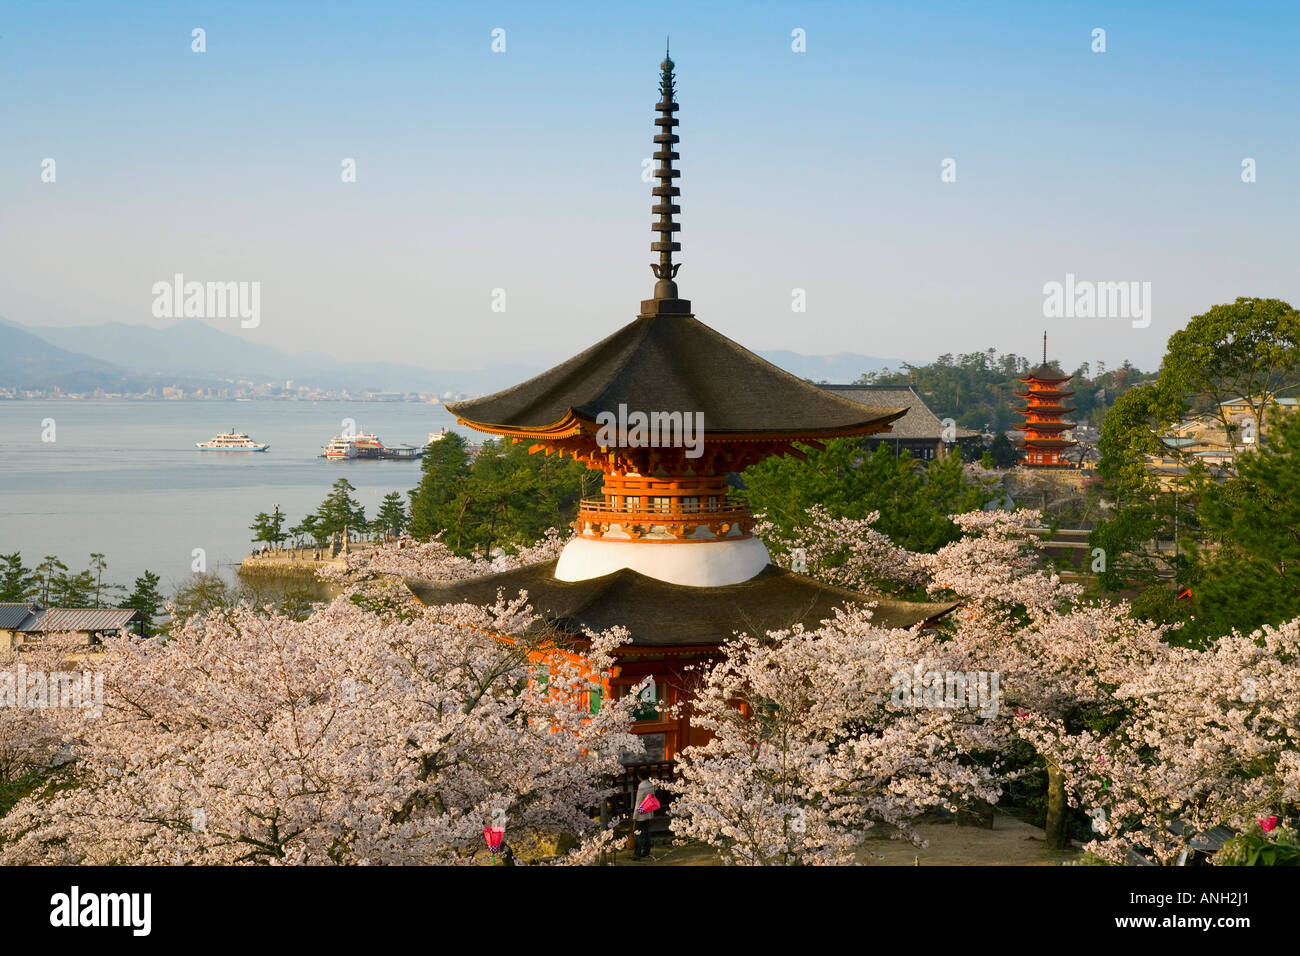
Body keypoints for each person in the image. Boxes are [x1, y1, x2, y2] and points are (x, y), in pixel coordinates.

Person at [633, 778, 655, 860]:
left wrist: (635, 815)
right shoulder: (651, 785)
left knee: (638, 833)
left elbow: (638, 802)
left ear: (639, 777)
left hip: (641, 812)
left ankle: (637, 853)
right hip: (648, 810)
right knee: (646, 832)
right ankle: (646, 851)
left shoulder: (641, 786)